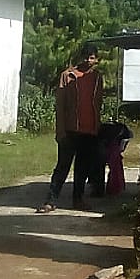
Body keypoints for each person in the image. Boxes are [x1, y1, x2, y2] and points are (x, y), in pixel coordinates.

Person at [39, 43, 103, 212]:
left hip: (89, 131)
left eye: (91, 58)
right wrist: (60, 130)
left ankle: (78, 200)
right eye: (85, 57)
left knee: (82, 169)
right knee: (63, 166)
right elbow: (60, 105)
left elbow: (98, 103)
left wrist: (97, 127)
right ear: (80, 57)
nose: (88, 60)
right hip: (70, 130)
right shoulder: (67, 76)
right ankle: (50, 200)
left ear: (96, 59)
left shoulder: (97, 77)